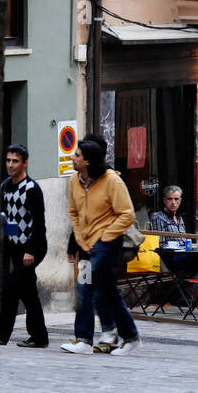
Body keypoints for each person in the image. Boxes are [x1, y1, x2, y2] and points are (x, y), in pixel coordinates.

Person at [61, 138, 141, 356]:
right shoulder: (73, 181)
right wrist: (79, 237)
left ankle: (84, 339)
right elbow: (73, 213)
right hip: (86, 244)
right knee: (108, 291)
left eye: (76, 155)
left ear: (87, 161)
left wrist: (105, 236)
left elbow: (127, 214)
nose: (72, 157)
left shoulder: (112, 181)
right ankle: (131, 337)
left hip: (106, 245)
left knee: (84, 286)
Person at [0, 144, 49, 347]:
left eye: (15, 161)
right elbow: (7, 218)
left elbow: (38, 225)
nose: (10, 165)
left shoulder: (32, 189)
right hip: (12, 246)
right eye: (8, 160)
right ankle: (38, 337)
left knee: (11, 289)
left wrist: (30, 250)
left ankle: (3, 335)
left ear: (25, 163)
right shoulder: (4, 186)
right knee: (26, 292)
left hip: (32, 247)